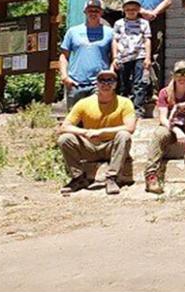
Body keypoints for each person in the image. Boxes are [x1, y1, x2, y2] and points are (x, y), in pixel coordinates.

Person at [58, 68, 137, 196]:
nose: (106, 84)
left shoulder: (125, 102)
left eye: (110, 80)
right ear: (97, 83)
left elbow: (130, 127)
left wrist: (101, 132)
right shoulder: (84, 103)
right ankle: (78, 178)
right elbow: (64, 127)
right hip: (90, 146)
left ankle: (112, 178)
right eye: (102, 80)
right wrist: (85, 132)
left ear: (115, 84)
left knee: (124, 135)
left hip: (112, 146)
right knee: (65, 138)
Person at [144, 60, 185, 194]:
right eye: (179, 73)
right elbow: (163, 118)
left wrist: (180, 105)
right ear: (173, 75)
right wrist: (176, 130)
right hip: (172, 127)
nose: (182, 77)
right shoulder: (165, 93)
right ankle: (151, 175)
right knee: (159, 134)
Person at [124, 0, 175, 89]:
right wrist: (142, 11)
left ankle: (154, 89)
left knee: (155, 54)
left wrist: (154, 13)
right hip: (136, 21)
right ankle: (134, 88)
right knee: (134, 52)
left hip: (156, 21)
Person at [59, 0, 114, 109]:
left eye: (96, 10)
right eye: (90, 10)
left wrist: (110, 75)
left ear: (101, 12)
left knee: (98, 116)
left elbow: (115, 57)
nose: (93, 13)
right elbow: (64, 55)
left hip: (99, 84)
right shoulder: (73, 32)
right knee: (75, 117)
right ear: (85, 12)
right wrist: (64, 76)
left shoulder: (109, 32)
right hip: (75, 83)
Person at [111, 0, 152, 119]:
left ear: (138, 9)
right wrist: (114, 57)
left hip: (139, 56)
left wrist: (148, 58)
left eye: (134, 9)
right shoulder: (119, 23)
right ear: (124, 10)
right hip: (123, 56)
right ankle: (122, 110)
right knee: (122, 84)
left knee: (139, 83)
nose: (131, 11)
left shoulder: (144, 23)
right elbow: (115, 41)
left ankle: (138, 109)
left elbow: (147, 40)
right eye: (128, 9)